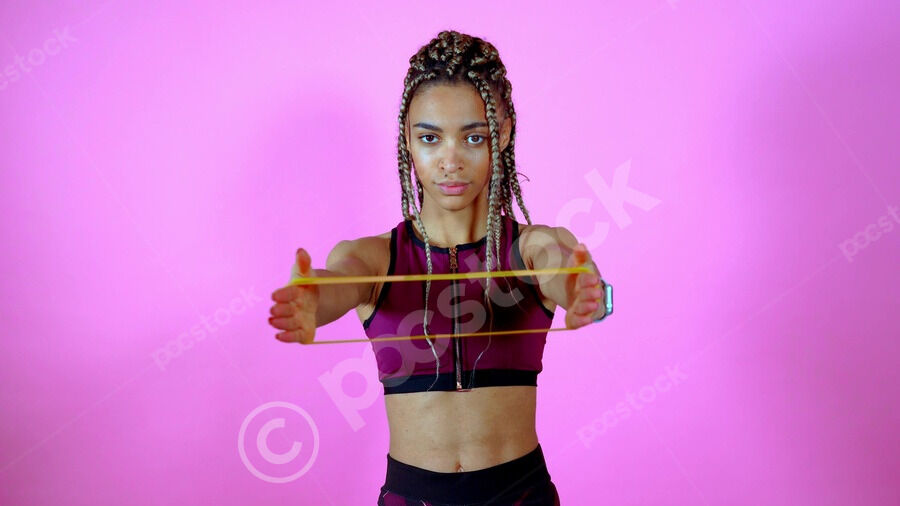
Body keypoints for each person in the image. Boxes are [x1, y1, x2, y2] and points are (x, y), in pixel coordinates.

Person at [269, 29, 608, 506]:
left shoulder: (532, 247)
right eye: (430, 138)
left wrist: (580, 292)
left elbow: (560, 267)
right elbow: (338, 281)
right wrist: (311, 300)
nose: (451, 161)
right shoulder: (374, 258)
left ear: (504, 132)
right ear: (408, 139)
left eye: (473, 137)